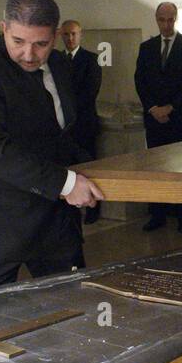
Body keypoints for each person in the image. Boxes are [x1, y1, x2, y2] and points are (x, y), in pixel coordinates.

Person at [0, 0, 104, 288]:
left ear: (57, 35)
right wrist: (66, 183)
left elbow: (58, 134)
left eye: (41, 44)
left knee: (70, 313)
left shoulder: (62, 65)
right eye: (18, 41)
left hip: (56, 222)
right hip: (0, 223)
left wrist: (92, 169)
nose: (28, 54)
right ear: (4, 28)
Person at [134, 2, 182, 233]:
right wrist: (153, 108)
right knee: (156, 168)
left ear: (176, 19)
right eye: (162, 20)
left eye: (170, 19)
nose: (166, 24)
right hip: (154, 118)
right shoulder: (146, 48)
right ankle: (158, 213)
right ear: (156, 19)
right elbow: (140, 81)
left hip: (180, 118)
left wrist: (170, 107)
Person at [60, 19, 103, 223]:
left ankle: (93, 209)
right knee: (66, 168)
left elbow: (89, 93)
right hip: (62, 128)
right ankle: (69, 209)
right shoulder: (56, 60)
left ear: (80, 35)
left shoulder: (90, 60)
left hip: (83, 124)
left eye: (73, 34)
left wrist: (67, 108)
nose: (70, 38)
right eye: (66, 34)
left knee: (89, 166)